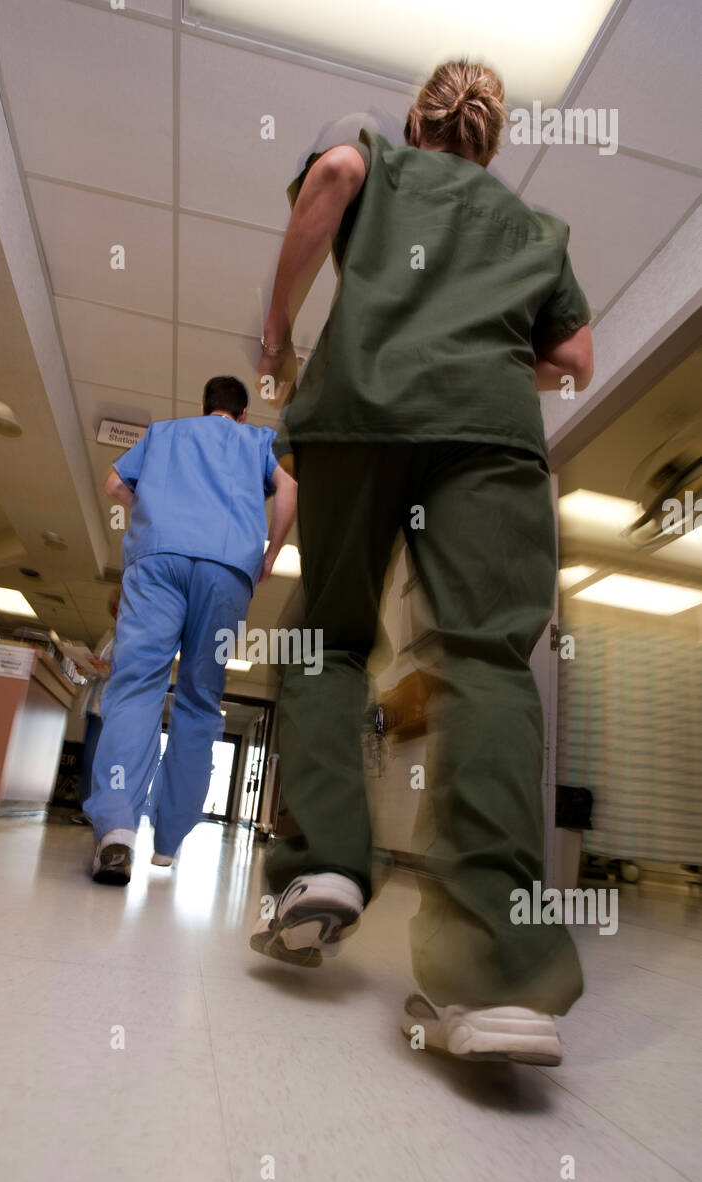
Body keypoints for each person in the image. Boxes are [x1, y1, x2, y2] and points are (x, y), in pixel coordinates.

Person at [249, 61, 594, 1066]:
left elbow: (332, 177)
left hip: (363, 409)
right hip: (487, 438)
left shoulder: (378, 154)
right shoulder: (534, 231)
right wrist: (486, 349)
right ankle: (497, 982)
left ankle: (321, 869)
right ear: (487, 141)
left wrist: (276, 331)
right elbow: (572, 362)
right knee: (483, 662)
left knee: (329, 632)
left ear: (418, 119)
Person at [84, 375, 297, 884]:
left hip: (157, 560)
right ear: (242, 415)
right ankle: (170, 841)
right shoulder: (257, 441)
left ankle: (117, 830)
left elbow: (114, 482)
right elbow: (288, 486)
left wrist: (153, 513)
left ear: (203, 408)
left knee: (135, 687)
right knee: (201, 699)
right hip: (227, 569)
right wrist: (270, 552)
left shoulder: (165, 432)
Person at [70, 592, 120, 824]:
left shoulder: (135, 635)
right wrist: (86, 668)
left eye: (120, 607)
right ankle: (88, 808)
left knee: (99, 759)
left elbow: (128, 670)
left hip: (110, 706)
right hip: (95, 704)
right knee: (89, 759)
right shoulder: (109, 634)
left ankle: (95, 811)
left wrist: (105, 668)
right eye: (114, 608)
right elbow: (101, 665)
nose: (116, 612)